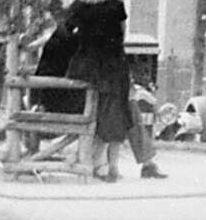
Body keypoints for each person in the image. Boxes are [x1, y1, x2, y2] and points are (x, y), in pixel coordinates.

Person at [33, 10, 166, 179]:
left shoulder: (65, 37)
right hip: (66, 103)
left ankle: (116, 165)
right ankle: (114, 165)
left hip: (61, 100)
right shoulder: (76, 42)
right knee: (123, 106)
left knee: (123, 104)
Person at [62, 0, 134, 181]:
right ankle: (112, 167)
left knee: (88, 113)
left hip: (85, 66)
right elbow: (122, 34)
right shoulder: (116, 5)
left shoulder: (79, 7)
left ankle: (89, 161)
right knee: (115, 115)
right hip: (112, 66)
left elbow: (67, 31)